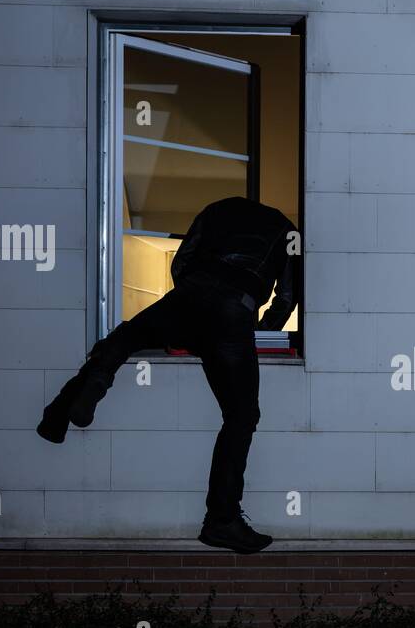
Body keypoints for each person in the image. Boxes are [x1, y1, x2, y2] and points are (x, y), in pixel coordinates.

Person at [37, 196, 299, 553]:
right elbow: (286, 295)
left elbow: (183, 260)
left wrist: (189, 308)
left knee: (125, 336)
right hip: (233, 311)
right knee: (241, 416)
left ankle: (63, 410)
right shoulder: (287, 230)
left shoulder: (217, 208)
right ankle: (222, 520)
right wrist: (261, 332)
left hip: (190, 296)